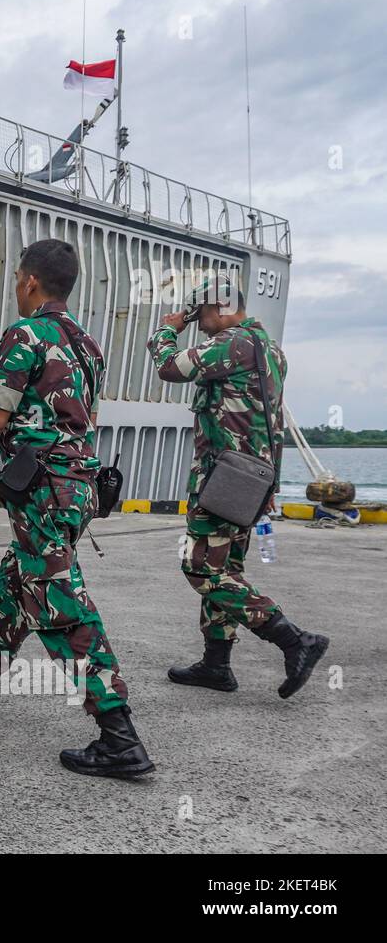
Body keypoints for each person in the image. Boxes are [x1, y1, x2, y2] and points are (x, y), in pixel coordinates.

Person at [0, 239, 154, 778]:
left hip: (44, 492)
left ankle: (118, 734)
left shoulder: (24, 335)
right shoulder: (88, 347)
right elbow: (83, 423)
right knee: (18, 585)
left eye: (15, 278)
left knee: (57, 600)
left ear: (29, 282)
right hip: (78, 490)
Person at [147, 274, 329, 697]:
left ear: (222, 307)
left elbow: (169, 367)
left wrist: (166, 330)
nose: (199, 323)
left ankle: (293, 639)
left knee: (200, 568)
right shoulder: (270, 349)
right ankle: (216, 664)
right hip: (251, 479)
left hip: (225, 481)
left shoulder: (234, 343)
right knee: (226, 568)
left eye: (202, 314)